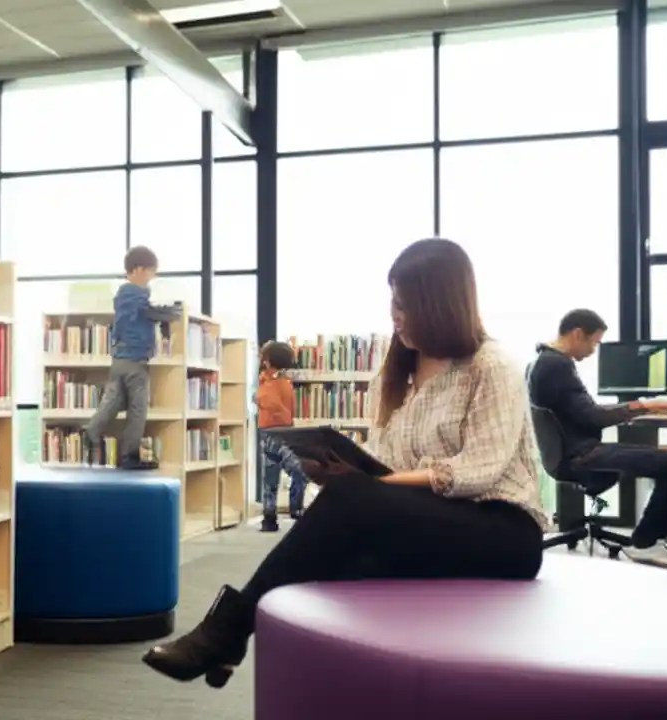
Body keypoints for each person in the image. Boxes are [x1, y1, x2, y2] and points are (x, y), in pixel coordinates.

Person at [142, 238, 546, 688]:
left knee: (348, 513)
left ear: (442, 305)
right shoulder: (399, 372)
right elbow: (386, 463)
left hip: (503, 530)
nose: (395, 315)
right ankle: (288, 672)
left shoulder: (492, 366)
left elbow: (479, 471)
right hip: (436, 520)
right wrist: (346, 470)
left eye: (406, 305)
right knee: (343, 558)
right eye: (393, 302)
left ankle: (229, 630)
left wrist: (377, 485)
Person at [526, 309, 667, 567]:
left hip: (567, 454)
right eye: (594, 343)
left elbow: (585, 412)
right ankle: (644, 544)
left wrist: (636, 408)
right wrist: (645, 406)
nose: (593, 351)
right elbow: (594, 418)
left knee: (661, 460)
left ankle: (649, 538)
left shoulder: (542, 361)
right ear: (578, 334)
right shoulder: (558, 365)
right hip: (580, 457)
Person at [85, 246, 183, 470]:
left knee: (113, 402)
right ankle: (129, 456)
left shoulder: (123, 295)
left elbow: (144, 312)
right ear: (138, 270)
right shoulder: (134, 293)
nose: (151, 278)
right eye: (150, 272)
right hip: (134, 360)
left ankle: (91, 430)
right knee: (138, 409)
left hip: (120, 359)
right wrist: (174, 313)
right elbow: (149, 312)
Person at [256, 341, 300, 531]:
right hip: (277, 432)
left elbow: (265, 401)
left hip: (276, 432)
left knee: (274, 475)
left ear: (267, 361)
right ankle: (274, 514)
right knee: (277, 475)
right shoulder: (274, 383)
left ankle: (278, 512)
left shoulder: (274, 383)